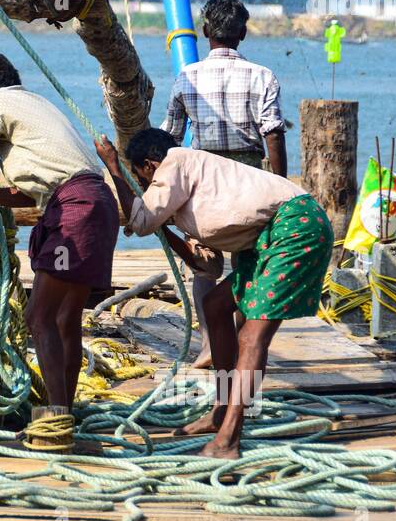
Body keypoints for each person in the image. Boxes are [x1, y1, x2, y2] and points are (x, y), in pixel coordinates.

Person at [96, 128, 333, 459]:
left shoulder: (175, 163)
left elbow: (141, 219)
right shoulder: (195, 187)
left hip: (294, 228)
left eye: (144, 180)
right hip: (265, 239)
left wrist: (113, 167)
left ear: (151, 166)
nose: (150, 189)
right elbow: (206, 265)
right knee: (216, 305)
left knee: (252, 337)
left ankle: (229, 439)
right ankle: (221, 411)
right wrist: (165, 226)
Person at [0, 53, 118, 453]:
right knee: (65, 319)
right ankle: (62, 417)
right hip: (96, 203)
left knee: (38, 316)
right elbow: (26, 191)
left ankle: (53, 422)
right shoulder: (35, 104)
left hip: (73, 210)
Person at [160, 0, 288, 368]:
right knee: (250, 263)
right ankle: (235, 335)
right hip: (250, 178)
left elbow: (170, 137)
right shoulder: (263, 76)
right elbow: (273, 135)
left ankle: (208, 344)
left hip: (204, 178)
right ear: (242, 33)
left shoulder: (187, 76)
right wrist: (279, 185)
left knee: (203, 265)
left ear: (205, 32)